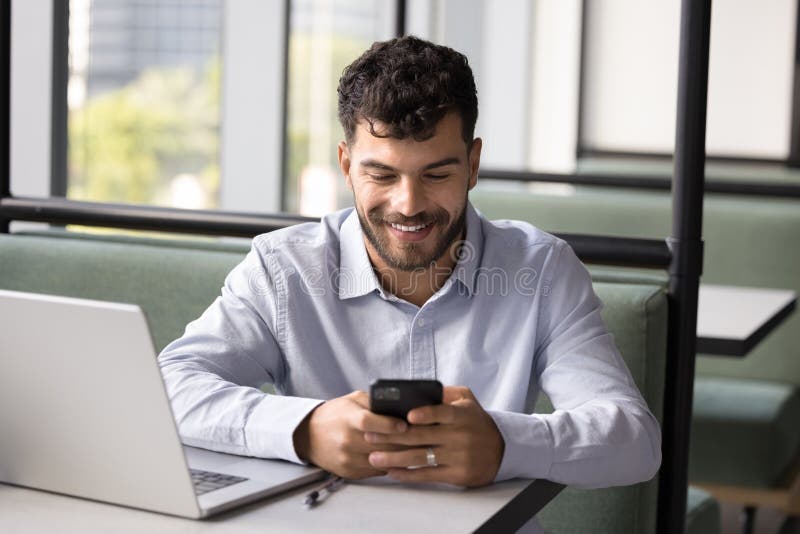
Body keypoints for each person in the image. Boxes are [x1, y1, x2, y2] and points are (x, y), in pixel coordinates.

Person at [159, 36, 660, 498]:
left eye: (437, 173)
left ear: (474, 164)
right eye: (381, 173)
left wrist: (506, 443)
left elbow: (633, 440)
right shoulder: (283, 269)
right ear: (346, 165)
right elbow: (171, 385)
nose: (409, 204)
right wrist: (306, 429)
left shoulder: (542, 269)